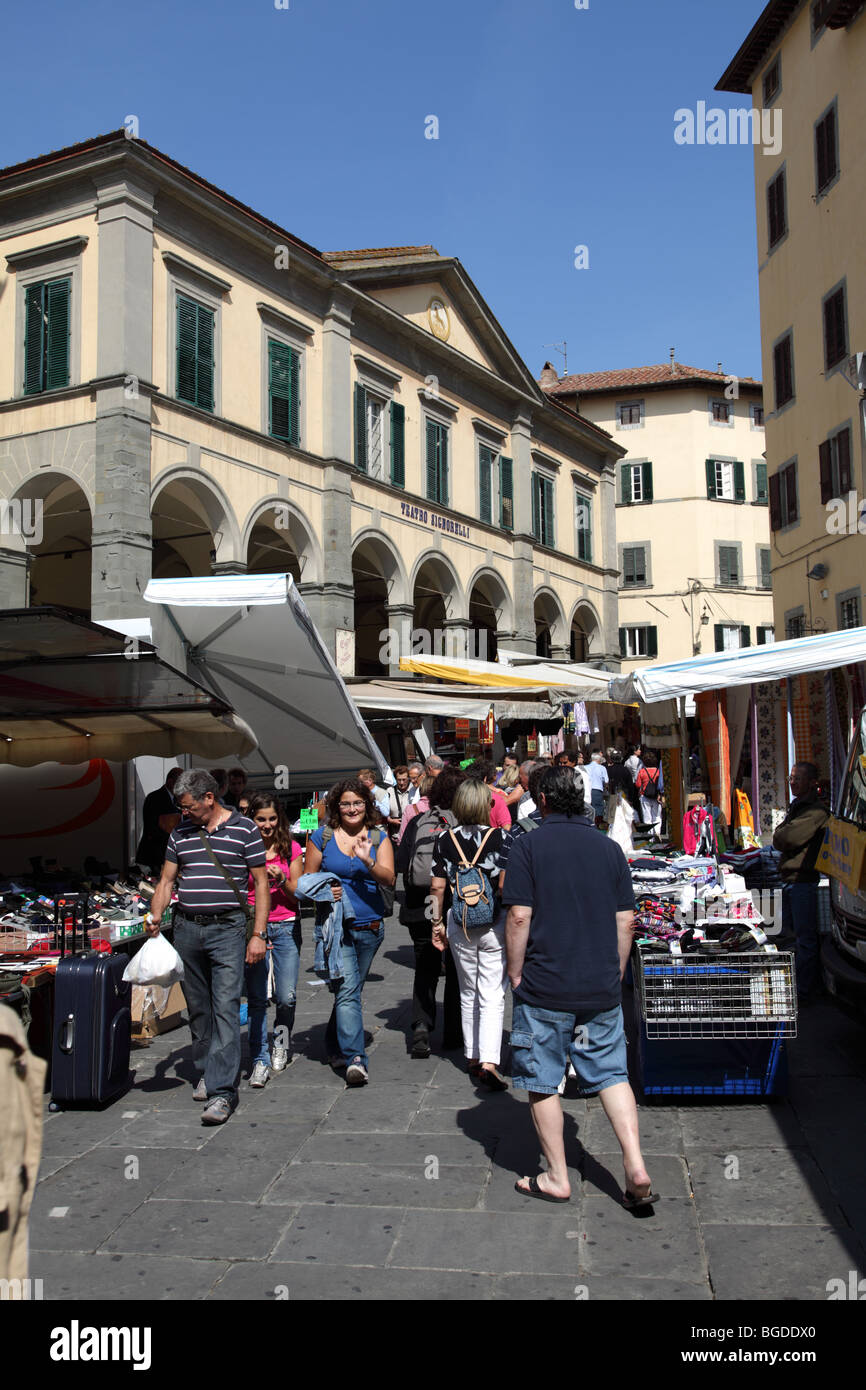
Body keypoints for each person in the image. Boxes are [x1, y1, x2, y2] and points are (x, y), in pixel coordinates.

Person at [503, 765, 655, 1207]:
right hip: (599, 982)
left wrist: (515, 971)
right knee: (611, 1072)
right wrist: (617, 971)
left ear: (542, 800)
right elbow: (625, 920)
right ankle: (635, 1163)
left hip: (545, 983)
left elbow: (518, 916)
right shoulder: (609, 849)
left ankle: (556, 1175)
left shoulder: (527, 846)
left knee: (542, 1078)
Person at [146, 769, 269, 1125]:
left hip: (228, 928)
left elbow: (260, 883)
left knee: (226, 1006)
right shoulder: (180, 833)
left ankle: (222, 1093)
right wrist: (155, 918)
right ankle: (206, 1069)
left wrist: (258, 934)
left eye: (188, 807)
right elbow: (167, 880)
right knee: (198, 1009)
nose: (184, 815)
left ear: (209, 798)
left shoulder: (245, 829)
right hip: (186, 928)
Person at [305, 779, 395, 1084]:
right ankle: (356, 1057)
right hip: (336, 927)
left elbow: (389, 879)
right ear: (336, 807)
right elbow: (307, 882)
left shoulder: (378, 838)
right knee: (347, 991)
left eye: (358, 803)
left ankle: (333, 1044)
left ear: (367, 806)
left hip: (370, 926)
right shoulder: (321, 837)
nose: (352, 809)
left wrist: (368, 859)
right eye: (346, 803)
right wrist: (325, 890)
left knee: (350, 990)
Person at [429, 779, 512, 1090]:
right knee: (492, 992)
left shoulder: (443, 840)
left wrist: (435, 923)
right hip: (493, 921)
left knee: (467, 991)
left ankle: (472, 1055)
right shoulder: (503, 838)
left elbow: (436, 888)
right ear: (486, 805)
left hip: (459, 922)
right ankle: (490, 1060)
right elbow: (505, 884)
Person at [397, 766, 464, 1057]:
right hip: (455, 904)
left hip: (421, 905)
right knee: (456, 968)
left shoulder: (418, 820)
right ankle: (453, 1032)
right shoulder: (465, 824)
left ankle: (421, 1026)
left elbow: (403, 862)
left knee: (425, 965)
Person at [244, 794, 304, 1086]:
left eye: (271, 819)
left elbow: (299, 895)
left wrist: (282, 880)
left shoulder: (291, 849)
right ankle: (259, 1054)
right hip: (255, 926)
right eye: (260, 819)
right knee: (256, 997)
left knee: (286, 996)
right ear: (251, 820)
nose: (266, 825)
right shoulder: (244, 849)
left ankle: (281, 1041)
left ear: (279, 819)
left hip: (285, 926)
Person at [773, 763, 830, 1000]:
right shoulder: (798, 807)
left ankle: (807, 991)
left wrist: (783, 834)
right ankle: (799, 986)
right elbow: (780, 837)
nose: (792, 782)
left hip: (802, 882)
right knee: (793, 936)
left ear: (811, 783)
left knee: (804, 938)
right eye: (791, 777)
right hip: (791, 880)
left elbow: (786, 837)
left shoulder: (815, 812)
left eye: (797, 778)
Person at [135, 766, 182, 873]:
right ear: (170, 781)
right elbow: (151, 827)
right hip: (155, 853)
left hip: (170, 851)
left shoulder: (178, 799)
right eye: (180, 784)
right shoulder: (154, 798)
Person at [468, 759, 512, 829]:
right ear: (485, 779)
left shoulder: (464, 798)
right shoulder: (496, 798)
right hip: (492, 837)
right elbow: (507, 827)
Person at [555, 751, 594, 824]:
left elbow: (586, 796)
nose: (562, 765)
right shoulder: (565, 773)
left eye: (565, 763)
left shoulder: (578, 774)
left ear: (573, 762)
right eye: (560, 763)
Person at [636, 751, 664, 840]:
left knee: (647, 818)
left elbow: (638, 784)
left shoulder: (642, 772)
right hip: (657, 796)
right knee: (657, 816)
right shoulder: (658, 771)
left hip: (645, 796)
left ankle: (650, 837)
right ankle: (657, 832)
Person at [398, 772, 433, 842]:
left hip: (415, 848)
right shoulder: (441, 809)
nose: (412, 781)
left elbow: (402, 837)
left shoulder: (409, 809)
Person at [386, 765, 412, 840]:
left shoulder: (414, 791)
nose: (401, 782)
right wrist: (391, 820)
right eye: (399, 780)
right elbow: (382, 812)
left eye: (404, 779)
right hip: (394, 836)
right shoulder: (389, 791)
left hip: (410, 836)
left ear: (409, 779)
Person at [587, 751, 609, 823]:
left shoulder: (585, 767)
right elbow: (606, 781)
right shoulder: (602, 768)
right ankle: (597, 826)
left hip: (587, 790)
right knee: (598, 810)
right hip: (597, 791)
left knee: (589, 809)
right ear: (598, 760)